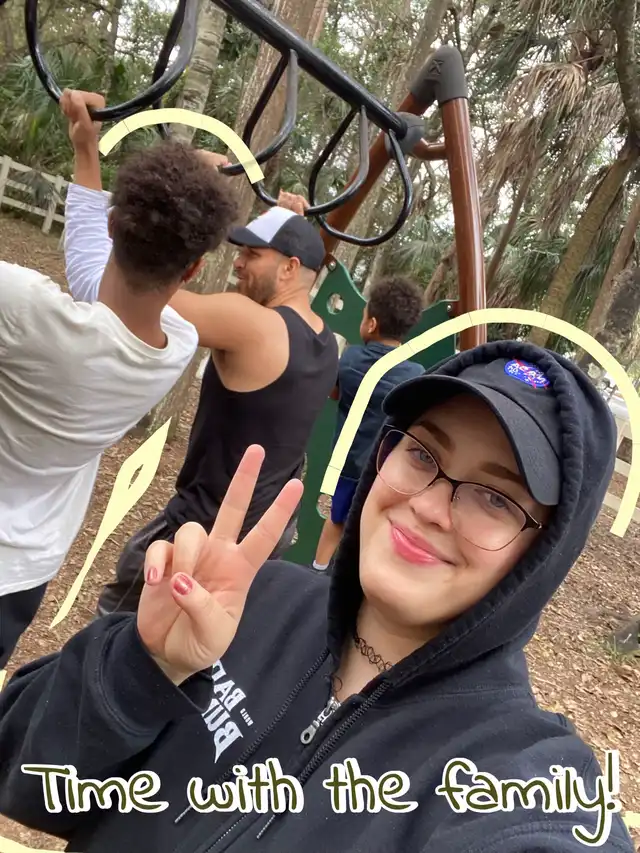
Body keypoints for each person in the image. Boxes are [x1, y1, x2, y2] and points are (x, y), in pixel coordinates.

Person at [0, 340, 633, 853]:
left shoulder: (521, 783)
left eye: (495, 497)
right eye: (421, 454)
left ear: (544, 555)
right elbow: (21, 771)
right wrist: (145, 667)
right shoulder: (254, 600)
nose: (428, 506)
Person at [60, 90, 339, 617]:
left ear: (288, 269)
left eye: (252, 255)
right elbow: (304, 276)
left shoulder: (251, 324)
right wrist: (289, 226)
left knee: (107, 641)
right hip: (256, 548)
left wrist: (104, 160)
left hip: (195, 539)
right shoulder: (322, 340)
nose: (238, 265)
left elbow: (114, 288)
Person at [0, 91, 240, 668]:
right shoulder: (174, 347)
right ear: (193, 268)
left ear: (116, 225)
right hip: (26, 571)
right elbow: (92, 266)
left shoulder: (23, 309)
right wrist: (87, 150)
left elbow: (93, 261)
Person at [313, 275, 425, 572]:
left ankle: (317, 569)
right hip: (383, 471)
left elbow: (333, 392)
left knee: (335, 520)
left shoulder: (351, 358)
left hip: (347, 466)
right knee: (368, 529)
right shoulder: (414, 373)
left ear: (372, 324)